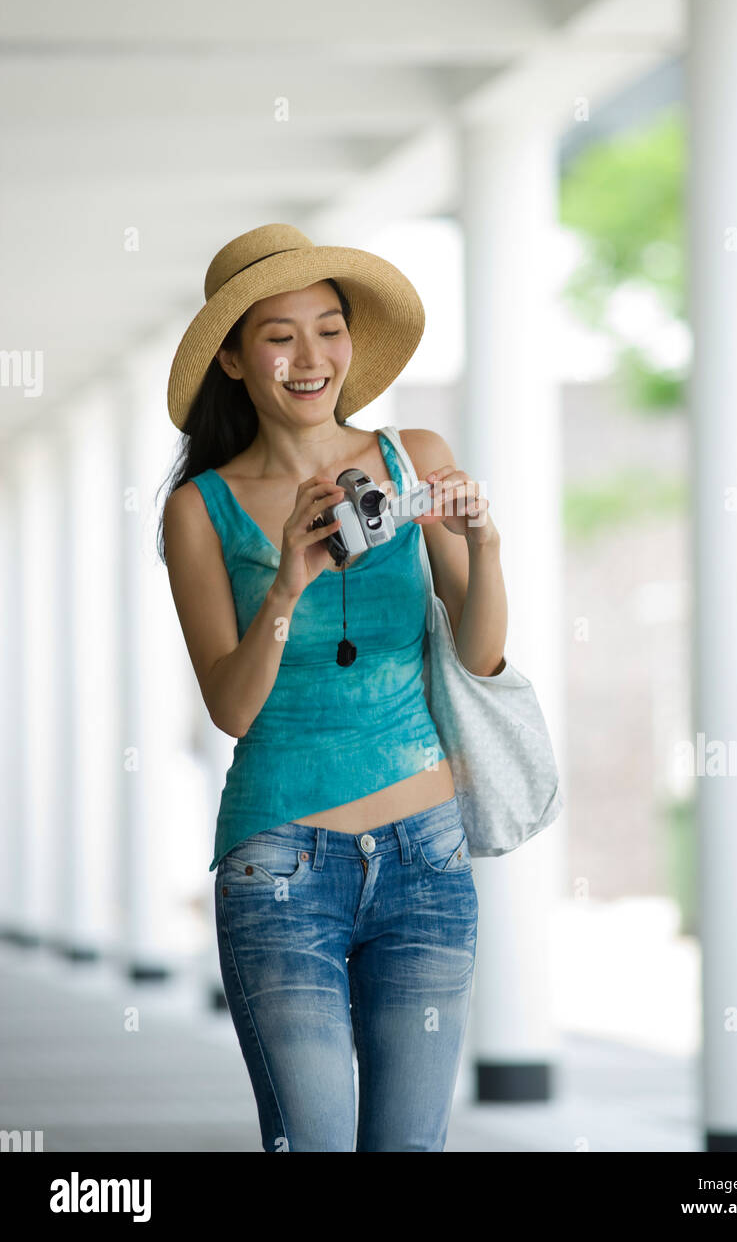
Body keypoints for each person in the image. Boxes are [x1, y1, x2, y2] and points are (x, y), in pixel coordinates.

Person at [158, 223, 507, 1151]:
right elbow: (231, 708)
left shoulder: (412, 456)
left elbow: (481, 657)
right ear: (233, 359)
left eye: (330, 327)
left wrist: (484, 544)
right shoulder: (202, 509)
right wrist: (286, 580)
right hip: (279, 865)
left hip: (428, 858)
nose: (311, 357)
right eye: (279, 335)